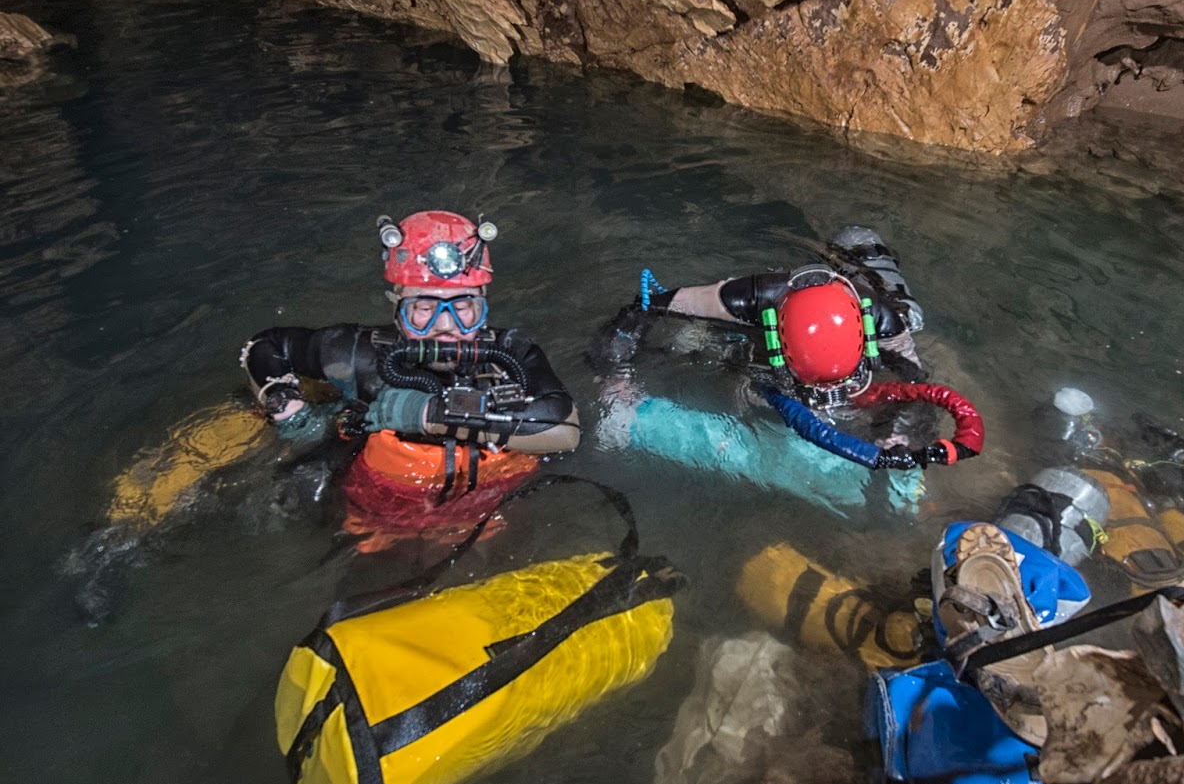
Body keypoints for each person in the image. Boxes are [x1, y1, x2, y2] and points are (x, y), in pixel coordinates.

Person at [242, 210, 580, 553]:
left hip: (491, 514)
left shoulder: (511, 353)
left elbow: (564, 431)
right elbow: (266, 346)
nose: (445, 325)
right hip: (377, 522)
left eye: (464, 307)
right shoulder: (360, 354)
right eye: (423, 309)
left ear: (483, 306)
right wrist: (284, 405)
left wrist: (428, 415)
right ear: (397, 308)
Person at [591, 227, 983, 515]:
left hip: (857, 316)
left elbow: (915, 381)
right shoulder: (739, 300)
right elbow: (642, 308)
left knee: (911, 315)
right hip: (756, 327)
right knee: (690, 343)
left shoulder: (883, 321)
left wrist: (907, 429)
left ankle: (856, 253)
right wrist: (615, 373)